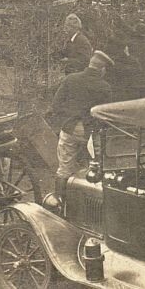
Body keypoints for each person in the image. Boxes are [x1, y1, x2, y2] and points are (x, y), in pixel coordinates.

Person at [50, 50, 114, 201]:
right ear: (102, 69)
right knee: (96, 167)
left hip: (70, 128)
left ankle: (59, 203)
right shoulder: (104, 87)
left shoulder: (70, 79)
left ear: (90, 64)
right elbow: (105, 115)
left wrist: (69, 118)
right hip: (92, 133)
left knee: (64, 169)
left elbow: (56, 105)